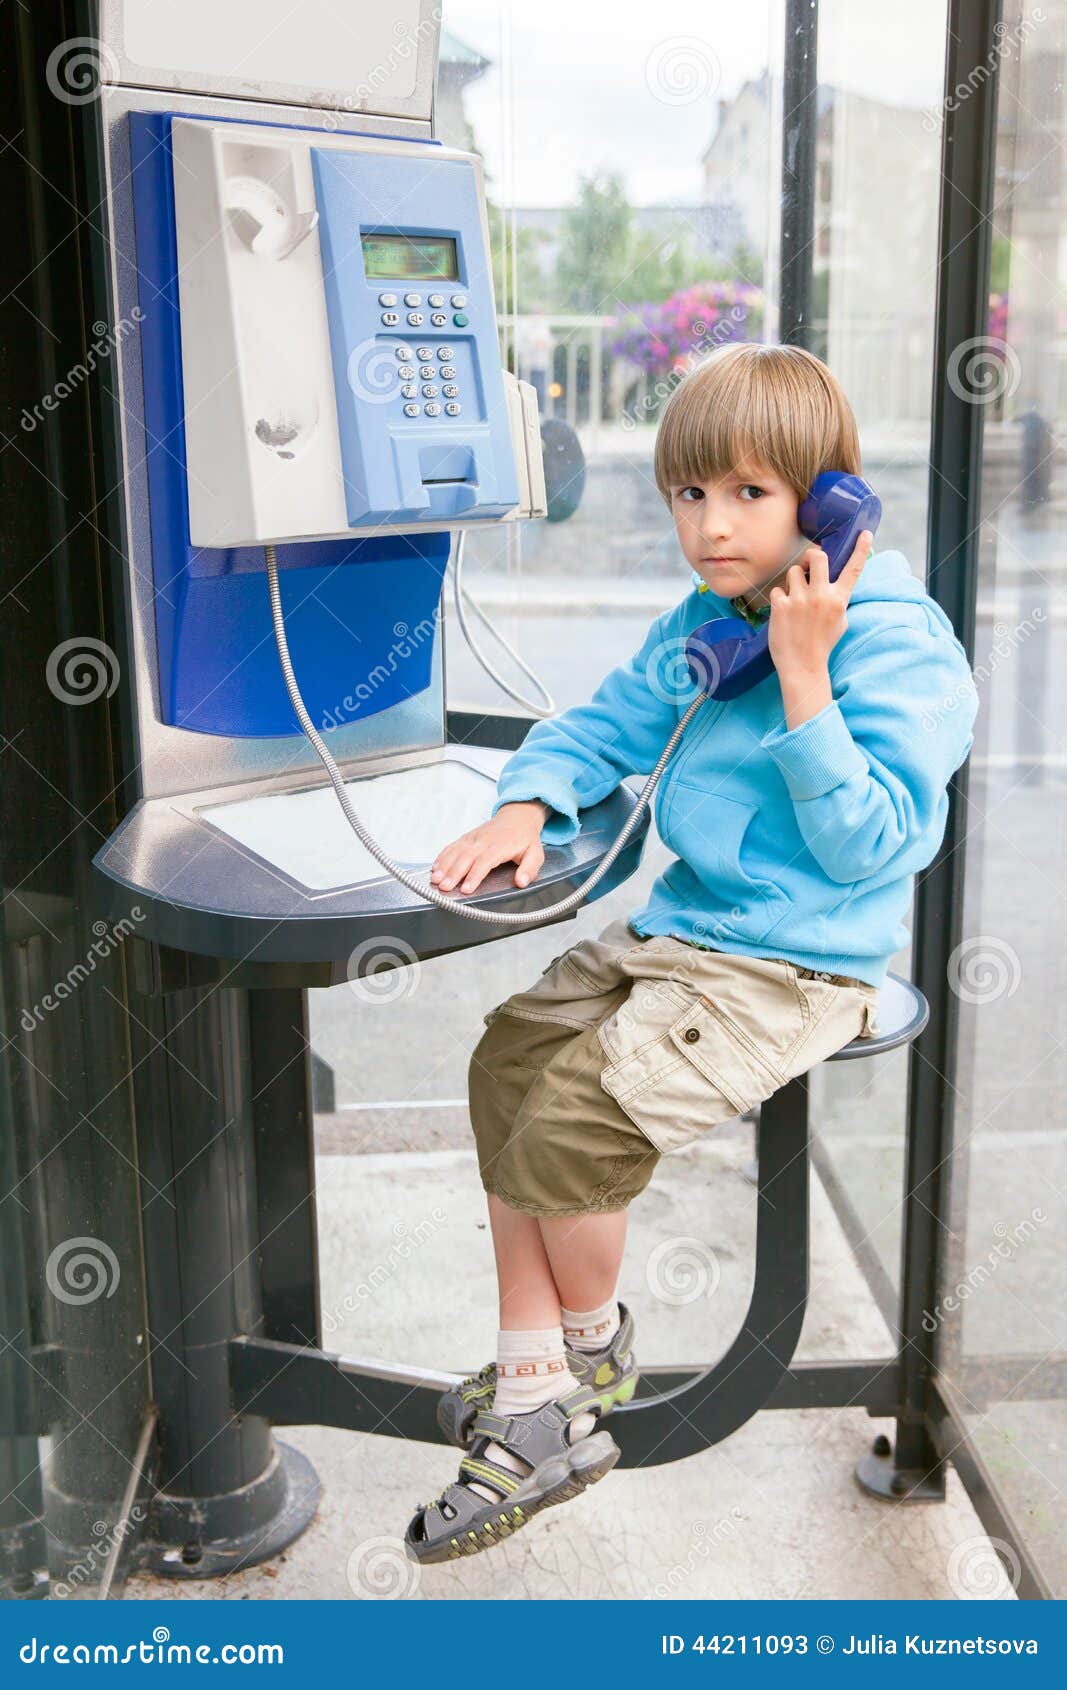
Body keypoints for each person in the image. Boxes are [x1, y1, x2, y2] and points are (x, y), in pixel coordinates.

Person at [403, 341, 979, 1565]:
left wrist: (803, 677)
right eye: (688, 493)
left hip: (793, 966)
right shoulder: (709, 620)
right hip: (684, 932)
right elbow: (603, 722)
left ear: (828, 500)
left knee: (569, 1127)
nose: (711, 527)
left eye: (748, 494)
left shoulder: (897, 647)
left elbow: (873, 842)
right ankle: (560, 1366)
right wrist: (529, 799)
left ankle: (544, 1396)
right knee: (507, 1062)